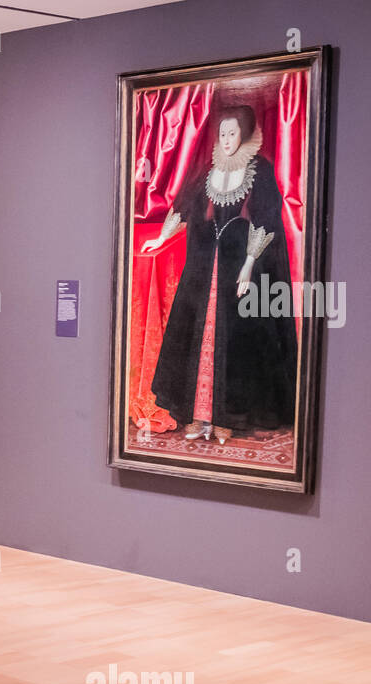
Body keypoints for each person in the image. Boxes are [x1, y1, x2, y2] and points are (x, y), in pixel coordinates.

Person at [141, 104, 297, 445]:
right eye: (223, 133)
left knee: (236, 344)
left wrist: (247, 266)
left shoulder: (260, 171)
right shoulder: (206, 171)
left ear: (243, 134)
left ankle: (225, 419)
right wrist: (162, 236)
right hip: (201, 267)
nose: (226, 140)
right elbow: (184, 208)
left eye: (232, 133)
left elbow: (266, 220)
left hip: (239, 269)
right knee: (195, 339)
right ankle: (197, 418)